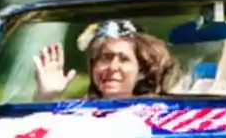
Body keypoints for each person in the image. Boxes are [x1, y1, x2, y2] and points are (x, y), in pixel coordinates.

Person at [31, 19, 178, 101]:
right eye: (106, 58)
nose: (113, 67)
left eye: (124, 59)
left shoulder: (157, 113)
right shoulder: (77, 113)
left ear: (141, 71)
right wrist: (47, 96)